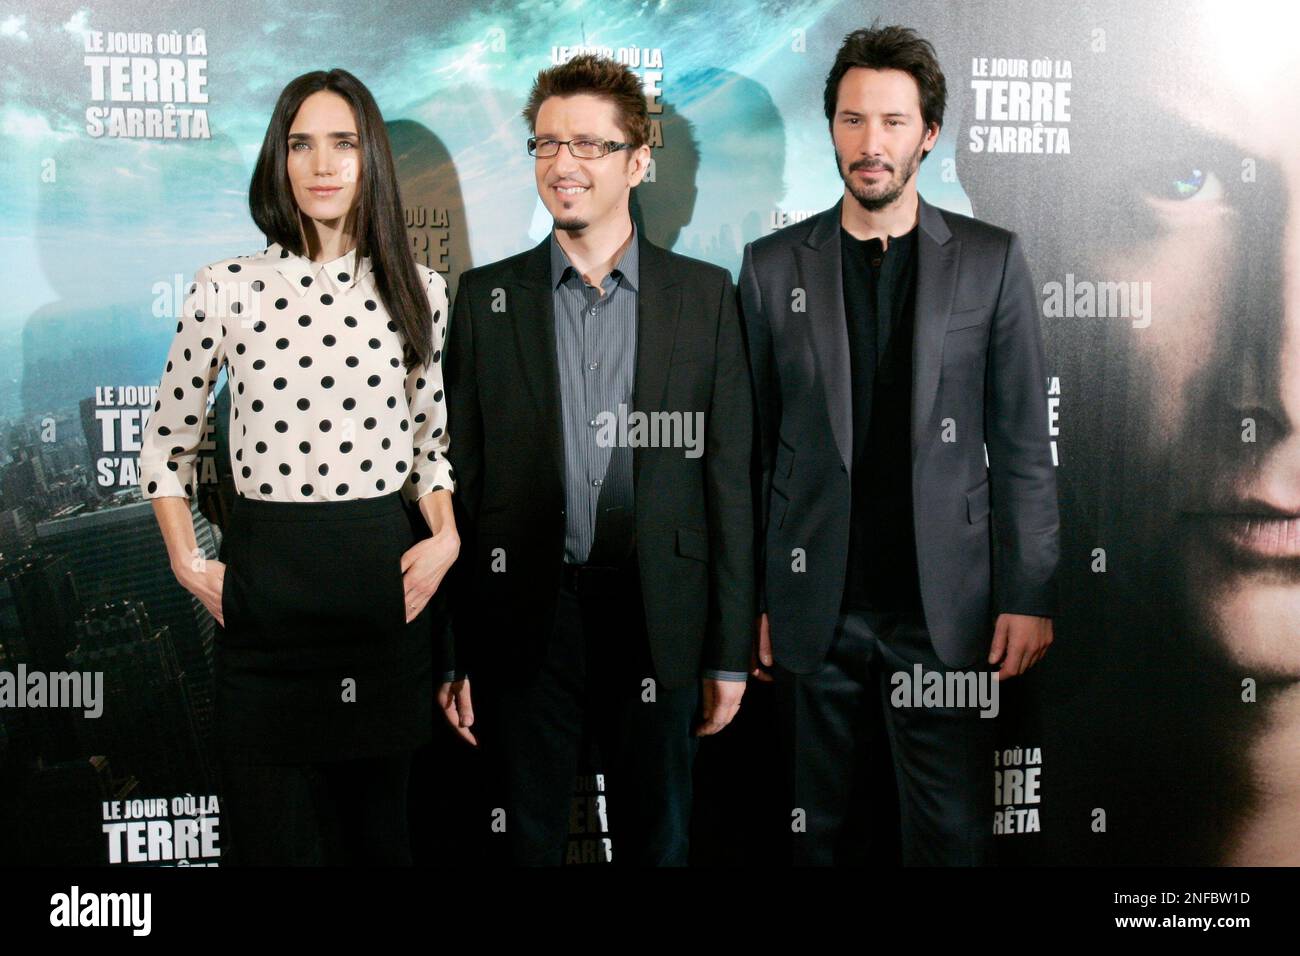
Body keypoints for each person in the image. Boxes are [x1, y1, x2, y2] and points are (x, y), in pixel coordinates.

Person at [740, 25, 1059, 865]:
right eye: (852, 121)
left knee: (949, 836)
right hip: (815, 609)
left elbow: (1025, 441)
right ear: (833, 130)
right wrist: (757, 601)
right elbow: (751, 455)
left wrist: (1027, 593)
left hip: (945, 612)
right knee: (816, 840)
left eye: (890, 123)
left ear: (927, 134)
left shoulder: (990, 261)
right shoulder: (773, 268)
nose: (869, 144)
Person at [137, 68, 460, 865]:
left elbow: (431, 448)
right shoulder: (224, 288)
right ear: (279, 161)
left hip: (380, 610)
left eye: (343, 143)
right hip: (265, 614)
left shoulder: (421, 291)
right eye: (302, 143)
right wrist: (188, 561)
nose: (323, 164)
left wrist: (448, 538)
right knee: (273, 848)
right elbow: (166, 446)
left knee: (380, 845)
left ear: (369, 159)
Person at [439, 53, 754, 866]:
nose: (562, 164)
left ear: (639, 161)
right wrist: (457, 652)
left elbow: (727, 482)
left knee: (661, 845)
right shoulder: (485, 299)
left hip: (662, 619)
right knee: (524, 846)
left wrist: (725, 650)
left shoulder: (706, 295)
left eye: (587, 144)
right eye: (546, 145)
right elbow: (459, 488)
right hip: (525, 626)